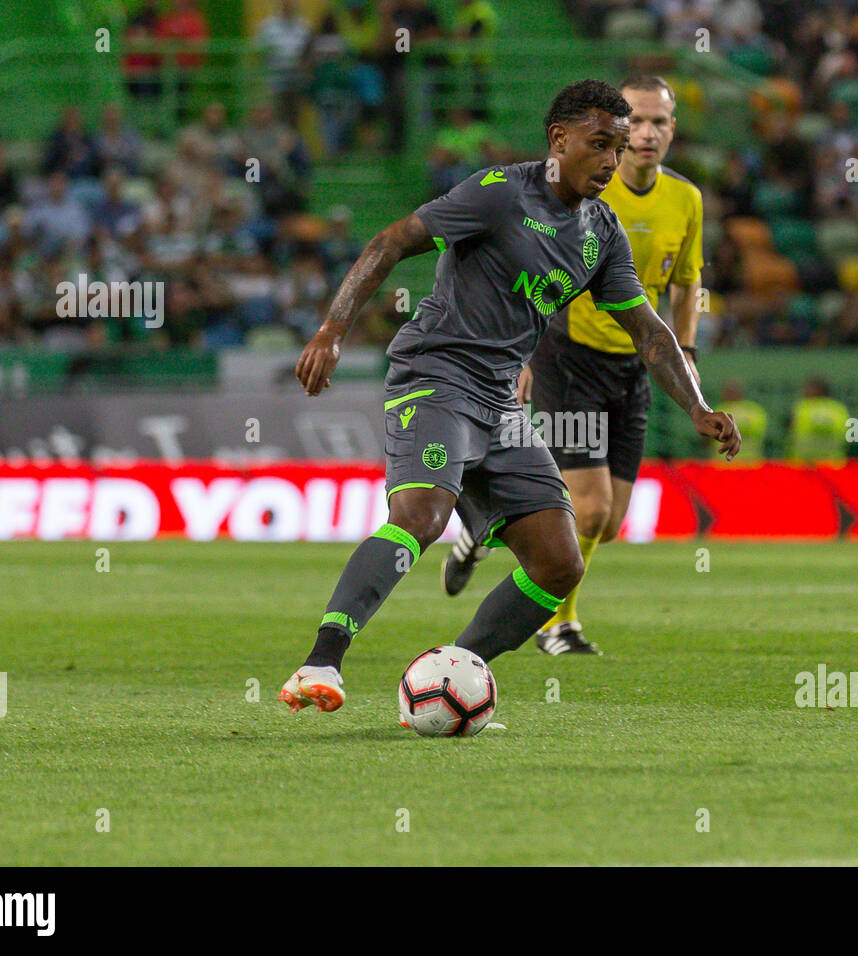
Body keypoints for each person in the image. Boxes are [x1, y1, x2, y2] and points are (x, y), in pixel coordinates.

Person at [278, 79, 740, 715]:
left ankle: (451, 669)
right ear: (559, 140)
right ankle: (320, 661)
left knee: (560, 562)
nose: (611, 160)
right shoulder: (498, 194)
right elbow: (390, 242)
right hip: (436, 376)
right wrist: (332, 328)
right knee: (421, 516)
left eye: (619, 146)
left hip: (501, 403)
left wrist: (696, 404)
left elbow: (649, 331)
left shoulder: (601, 233)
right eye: (600, 144)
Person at [440, 75, 704, 655]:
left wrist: (684, 351)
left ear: (672, 129)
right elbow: (531, 271)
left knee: (609, 524)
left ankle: (485, 530)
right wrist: (524, 354)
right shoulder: (588, 188)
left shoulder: (686, 199)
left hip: (631, 368)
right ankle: (557, 624)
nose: (647, 133)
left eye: (660, 121)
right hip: (569, 357)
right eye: (637, 120)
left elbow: (687, 282)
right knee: (589, 508)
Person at [787, 378, 849, 464]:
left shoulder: (802, 407)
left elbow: (790, 431)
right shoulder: (839, 409)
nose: (805, 391)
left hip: (803, 466)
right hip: (833, 465)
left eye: (809, 388)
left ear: (819, 390)